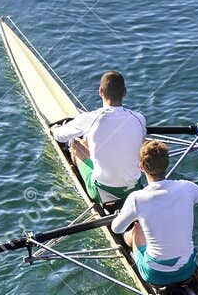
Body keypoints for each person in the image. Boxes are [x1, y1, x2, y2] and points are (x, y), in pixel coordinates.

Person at [110, 139, 198, 287]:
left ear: (141, 166)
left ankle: (137, 249)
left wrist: (131, 216)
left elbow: (116, 228)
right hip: (188, 268)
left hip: (155, 274)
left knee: (136, 229)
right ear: (167, 164)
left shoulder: (136, 198)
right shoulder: (187, 187)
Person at [51, 70, 146, 205]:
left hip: (103, 192)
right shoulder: (139, 119)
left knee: (76, 145)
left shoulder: (90, 118)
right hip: (135, 188)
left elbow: (59, 136)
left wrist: (54, 129)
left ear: (100, 91)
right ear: (124, 92)